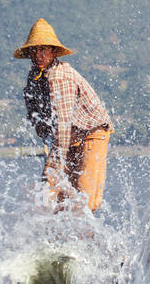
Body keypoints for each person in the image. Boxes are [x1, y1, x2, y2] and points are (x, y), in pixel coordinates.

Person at [14, 19, 114, 213]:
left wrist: (54, 161)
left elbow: (63, 124)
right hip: (69, 137)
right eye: (34, 50)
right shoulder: (35, 75)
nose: (39, 55)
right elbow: (33, 106)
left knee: (84, 200)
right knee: (56, 198)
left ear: (53, 52)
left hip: (91, 133)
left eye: (44, 50)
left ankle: (89, 237)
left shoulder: (60, 77)